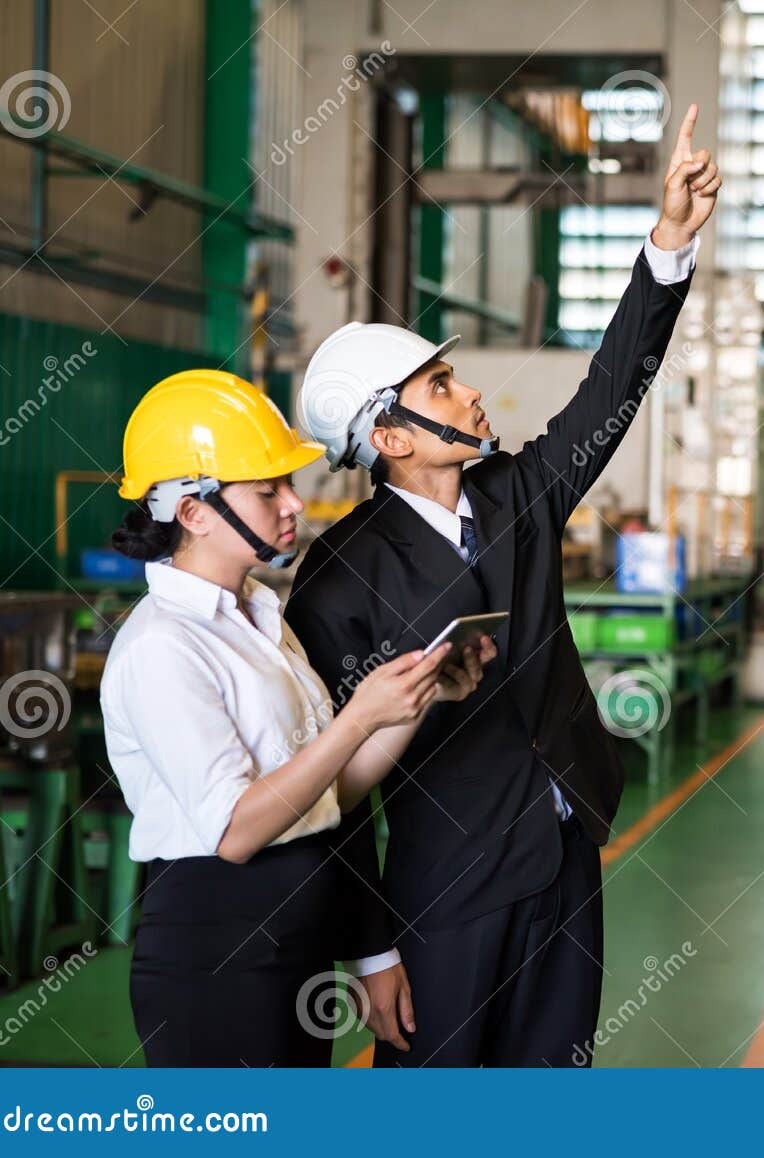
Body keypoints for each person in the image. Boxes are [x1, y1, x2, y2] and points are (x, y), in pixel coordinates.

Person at [282, 105, 720, 1066]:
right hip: (446, 891)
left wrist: (669, 244)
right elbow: (332, 785)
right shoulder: (339, 578)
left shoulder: (519, 494)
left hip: (566, 856)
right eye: (441, 387)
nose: (471, 392)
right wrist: (372, 950)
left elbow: (613, 391)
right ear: (389, 437)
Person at [101, 369, 493, 1067]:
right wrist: (356, 720)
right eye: (267, 491)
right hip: (218, 952)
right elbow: (235, 831)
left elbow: (326, 796)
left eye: (288, 483)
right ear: (192, 511)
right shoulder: (163, 645)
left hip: (298, 942)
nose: (294, 504)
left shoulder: (260, 617)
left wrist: (412, 703)